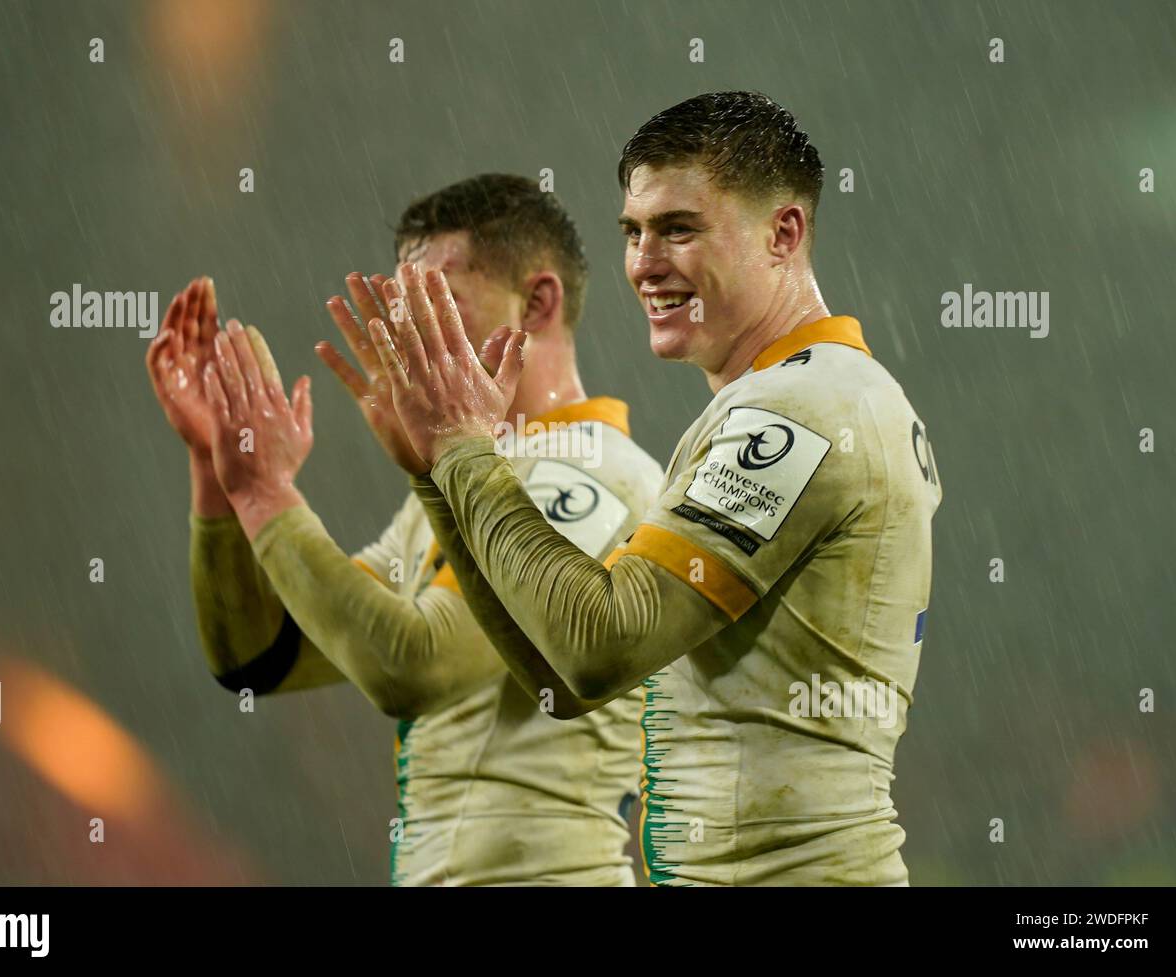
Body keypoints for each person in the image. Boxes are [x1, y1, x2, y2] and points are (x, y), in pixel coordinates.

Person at [364, 93, 944, 886]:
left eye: (679, 228)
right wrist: (441, 474)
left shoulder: (805, 408)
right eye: (633, 232)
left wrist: (466, 449)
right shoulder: (795, 397)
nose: (643, 262)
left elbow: (601, 642)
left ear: (784, 233)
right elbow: (562, 677)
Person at [145, 174, 664, 886]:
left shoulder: (593, 474)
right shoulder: (447, 492)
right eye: (400, 311)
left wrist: (268, 494)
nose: (405, 338)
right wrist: (220, 470)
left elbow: (413, 665)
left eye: (435, 307)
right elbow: (260, 655)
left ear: (538, 302)